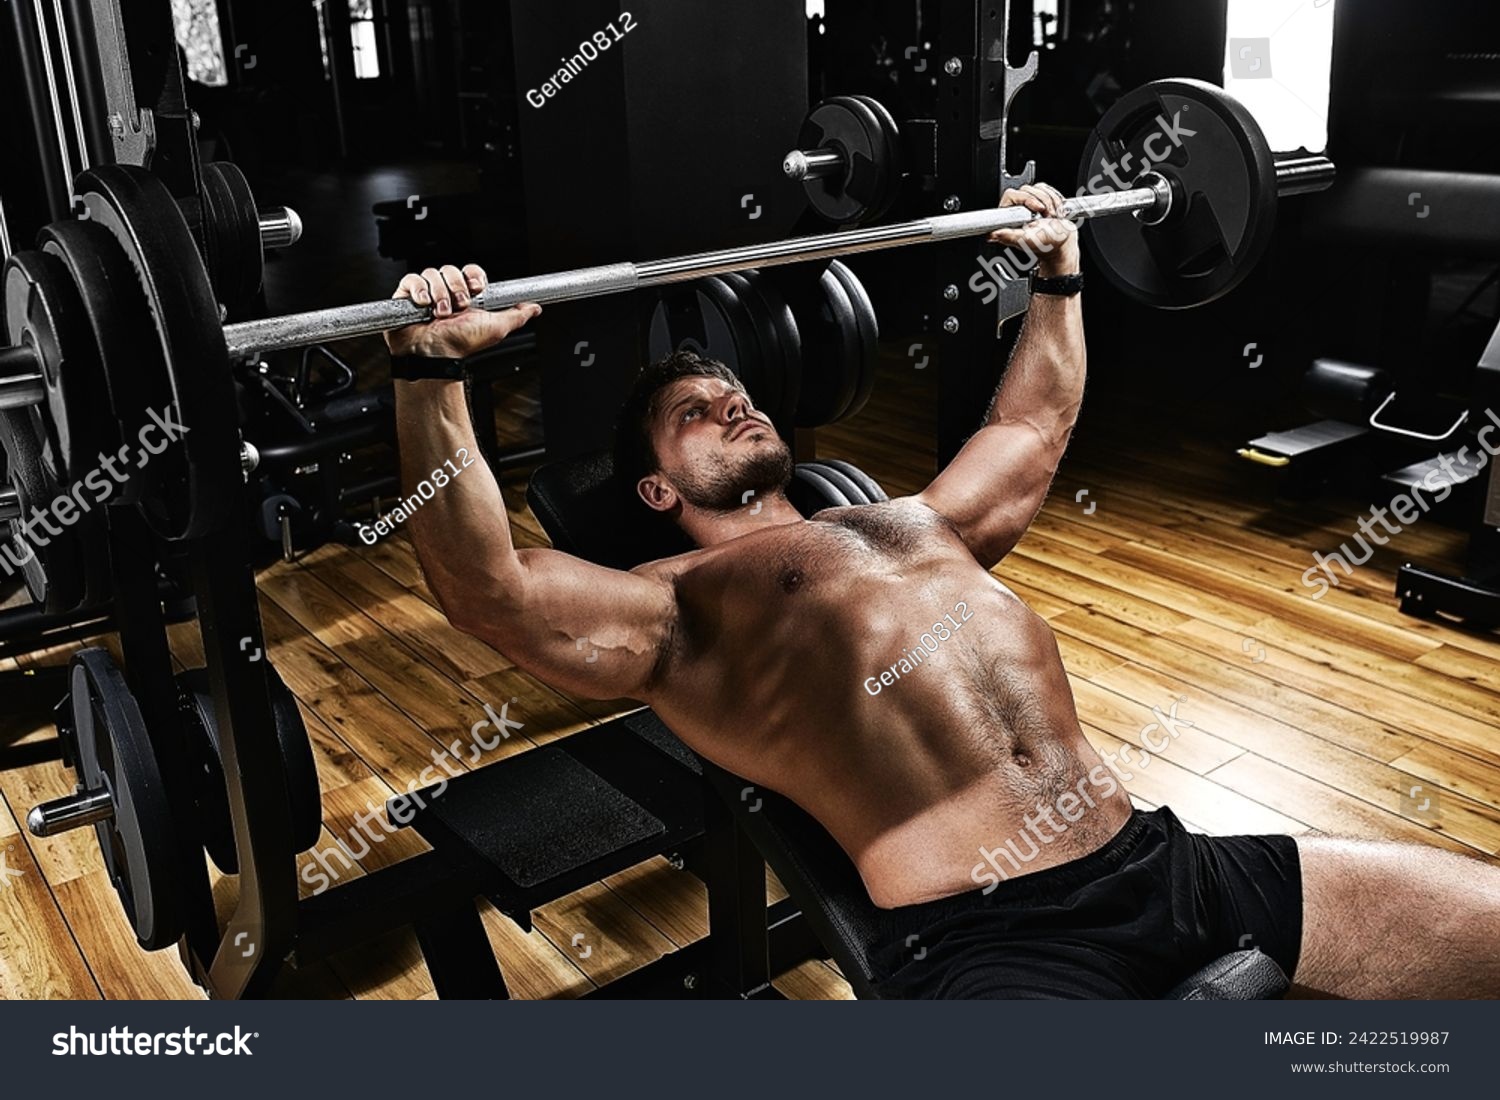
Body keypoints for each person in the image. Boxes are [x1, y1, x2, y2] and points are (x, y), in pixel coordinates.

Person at [386, 184, 1500, 998]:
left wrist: (1058, 271)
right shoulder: (676, 604)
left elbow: (1029, 423)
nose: (732, 406)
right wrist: (433, 372)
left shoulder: (916, 520)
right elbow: (492, 590)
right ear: (656, 486)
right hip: (996, 935)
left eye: (733, 393)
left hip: (1169, 860)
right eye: (695, 412)